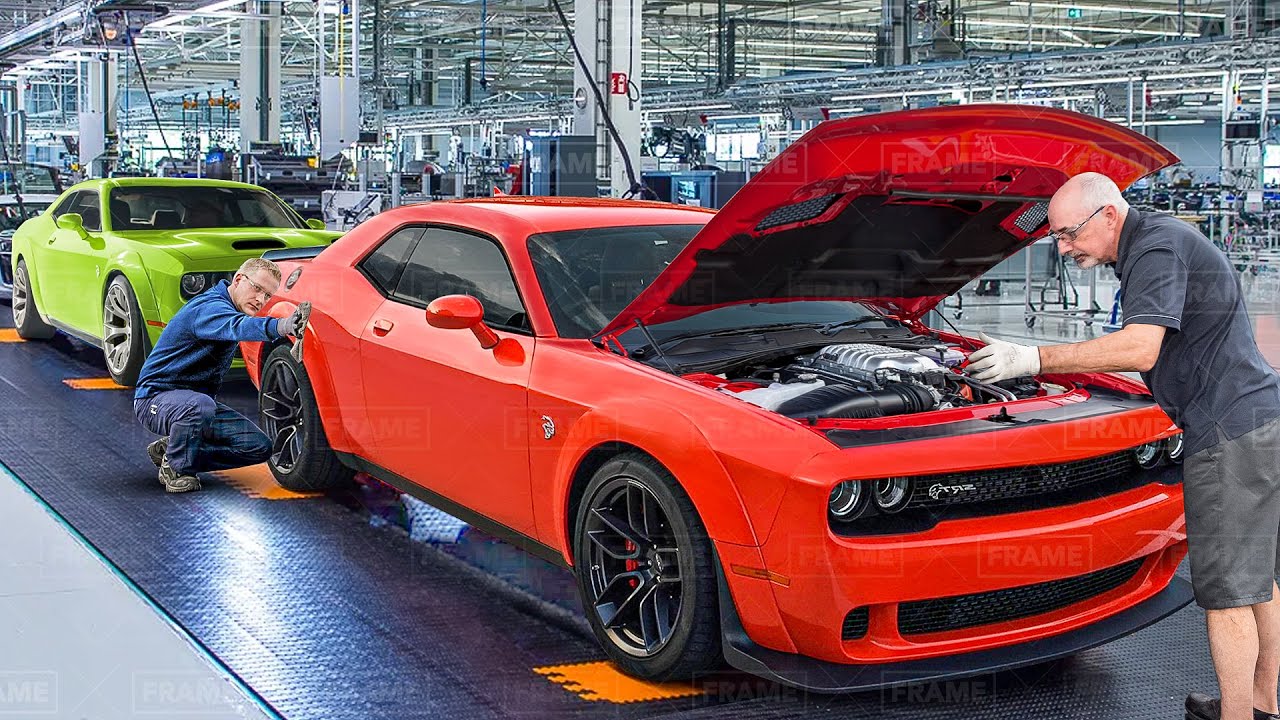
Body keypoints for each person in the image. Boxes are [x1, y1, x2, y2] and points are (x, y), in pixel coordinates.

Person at [966, 172, 1280, 720]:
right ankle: (1260, 702)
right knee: (1256, 580)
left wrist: (1033, 359)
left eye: (1069, 234)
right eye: (1057, 238)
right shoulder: (1156, 239)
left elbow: (1140, 348)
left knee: (1226, 591)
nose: (1064, 249)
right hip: (1256, 419)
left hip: (1226, 433)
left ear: (1109, 215)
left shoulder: (1156, 247)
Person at [133, 257, 308, 493]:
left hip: (194, 405)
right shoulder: (209, 308)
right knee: (200, 406)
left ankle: (174, 449)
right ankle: (176, 468)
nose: (260, 300)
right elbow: (238, 326)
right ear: (238, 279)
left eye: (267, 295)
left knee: (259, 447)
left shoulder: (228, 309)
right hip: (154, 399)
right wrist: (283, 326)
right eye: (257, 288)